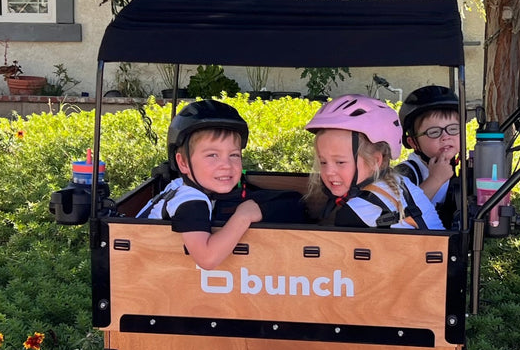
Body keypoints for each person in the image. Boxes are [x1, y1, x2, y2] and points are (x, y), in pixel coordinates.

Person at [137, 100, 301, 268]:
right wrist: (243, 216)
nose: (226, 165)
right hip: (139, 270)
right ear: (183, 163)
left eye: (234, 155)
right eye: (212, 155)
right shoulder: (191, 202)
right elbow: (207, 258)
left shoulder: (180, 185)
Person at [305, 95, 443, 229]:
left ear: (375, 161)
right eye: (323, 162)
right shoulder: (398, 183)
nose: (329, 171)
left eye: (340, 162)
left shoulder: (357, 211)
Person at [396, 85, 461, 228]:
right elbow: (398, 215)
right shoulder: (405, 175)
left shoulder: (461, 170)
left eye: (453, 129)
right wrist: (435, 180)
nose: (446, 137)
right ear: (413, 142)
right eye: (433, 132)